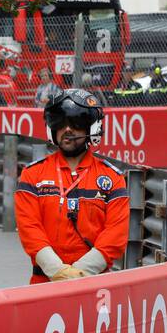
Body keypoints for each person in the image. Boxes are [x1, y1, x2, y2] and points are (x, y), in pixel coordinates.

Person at [14, 90, 129, 284]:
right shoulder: (32, 175)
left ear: (92, 128)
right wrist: (57, 271)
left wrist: (78, 275)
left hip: (95, 285)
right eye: (60, 123)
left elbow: (115, 235)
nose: (67, 129)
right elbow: (30, 229)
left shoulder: (113, 178)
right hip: (45, 283)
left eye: (76, 123)